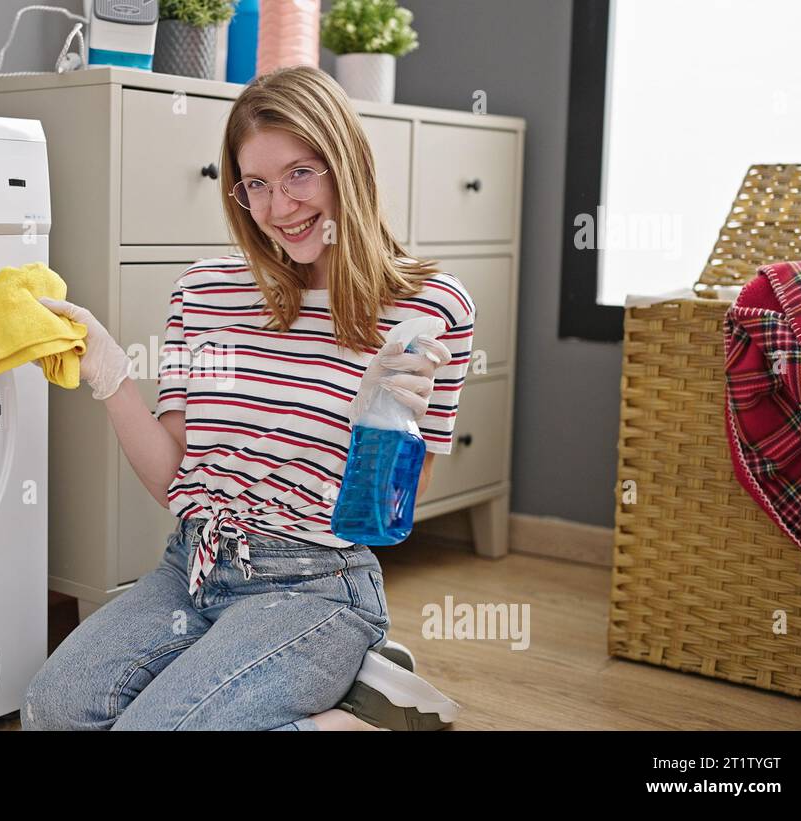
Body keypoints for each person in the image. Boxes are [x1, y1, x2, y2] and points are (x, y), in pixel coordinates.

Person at [27, 65, 475, 730]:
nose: (280, 206)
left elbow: (385, 520)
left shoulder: (429, 307)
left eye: (302, 173)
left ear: (346, 163)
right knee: (54, 708)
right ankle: (337, 705)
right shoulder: (202, 292)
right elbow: (177, 475)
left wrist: (375, 424)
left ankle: (349, 719)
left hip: (318, 584)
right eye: (256, 184)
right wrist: (111, 372)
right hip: (195, 565)